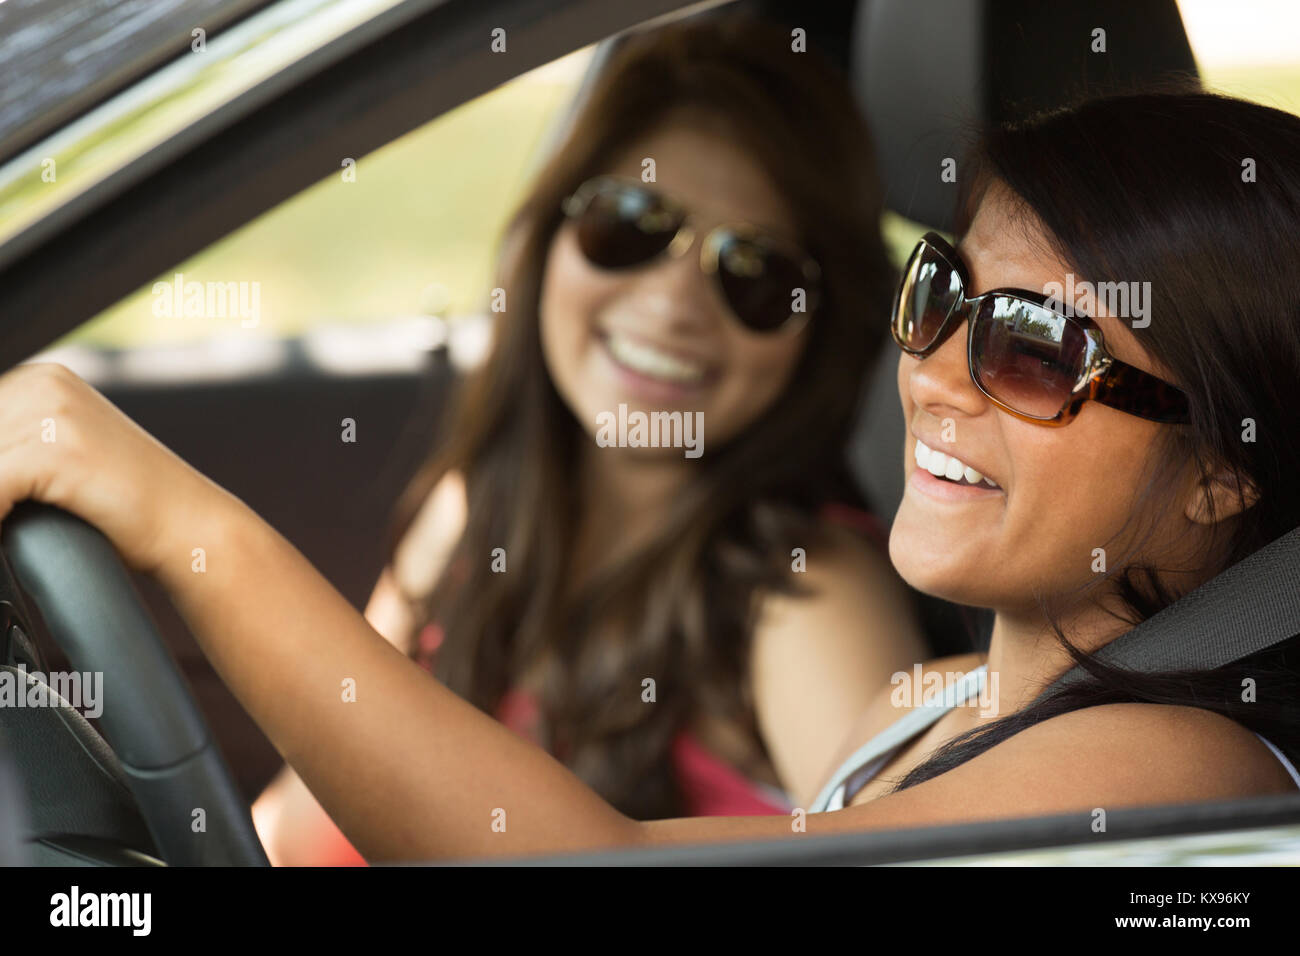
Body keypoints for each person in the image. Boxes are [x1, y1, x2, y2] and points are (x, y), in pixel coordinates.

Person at [7, 88, 1297, 863]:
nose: (940, 375)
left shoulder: (1176, 771)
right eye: (943, 294)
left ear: (1219, 476)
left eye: (1034, 353)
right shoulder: (935, 703)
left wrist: (190, 530)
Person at [243, 15, 931, 864]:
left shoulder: (801, 595)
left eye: (754, 271)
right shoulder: (471, 512)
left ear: (816, 335)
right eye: (632, 224)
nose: (673, 304)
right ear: (548, 240)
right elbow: (289, 833)